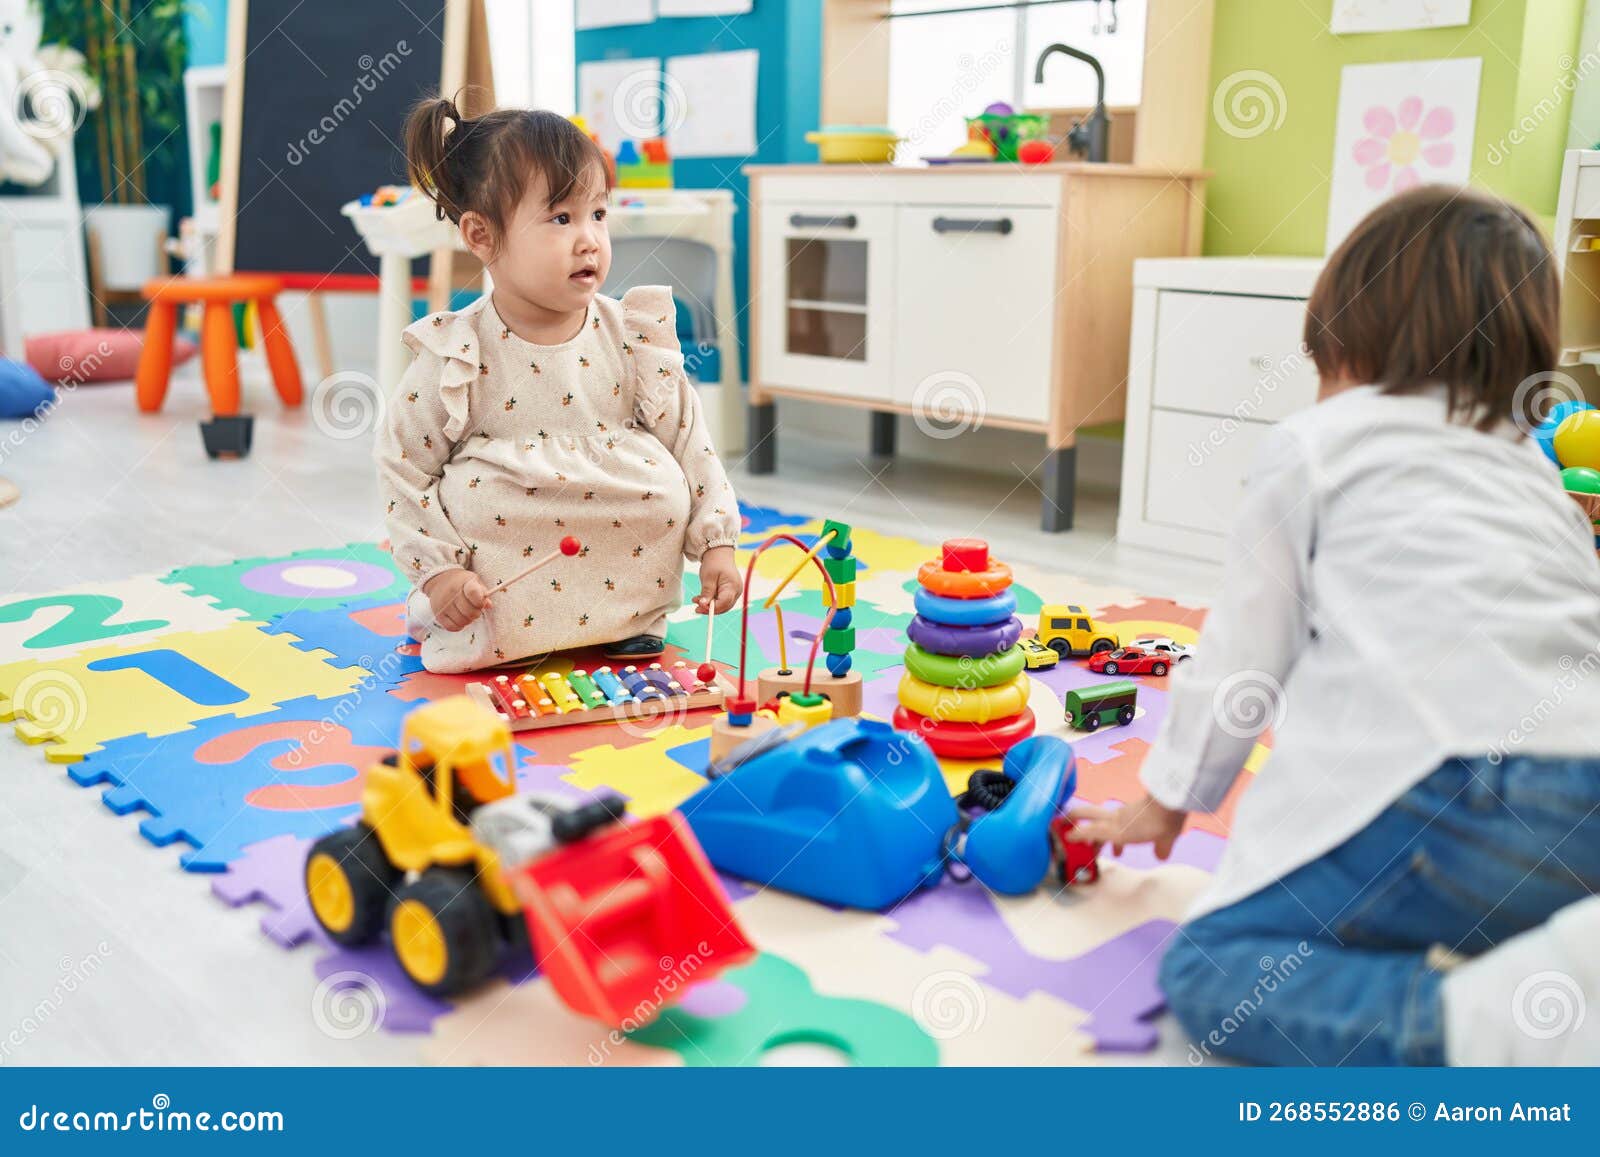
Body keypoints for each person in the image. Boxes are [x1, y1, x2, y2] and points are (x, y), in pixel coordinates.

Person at [1069, 184, 1600, 1066]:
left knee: (1216, 973)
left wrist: (1165, 799)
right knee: (1467, 917)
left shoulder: (1315, 446)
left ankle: (1508, 1030)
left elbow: (1243, 659)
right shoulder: (1534, 475)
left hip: (1463, 787)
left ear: (1352, 341)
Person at [376, 100, 742, 673]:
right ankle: (482, 618)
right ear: (481, 234)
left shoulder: (633, 333)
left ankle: (629, 619)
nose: (590, 239)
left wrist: (717, 540)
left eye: (598, 213)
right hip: (511, 526)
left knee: (661, 491)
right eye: (560, 219)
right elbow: (404, 464)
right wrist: (439, 569)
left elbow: (689, 439)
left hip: (616, 507)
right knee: (479, 501)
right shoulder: (458, 349)